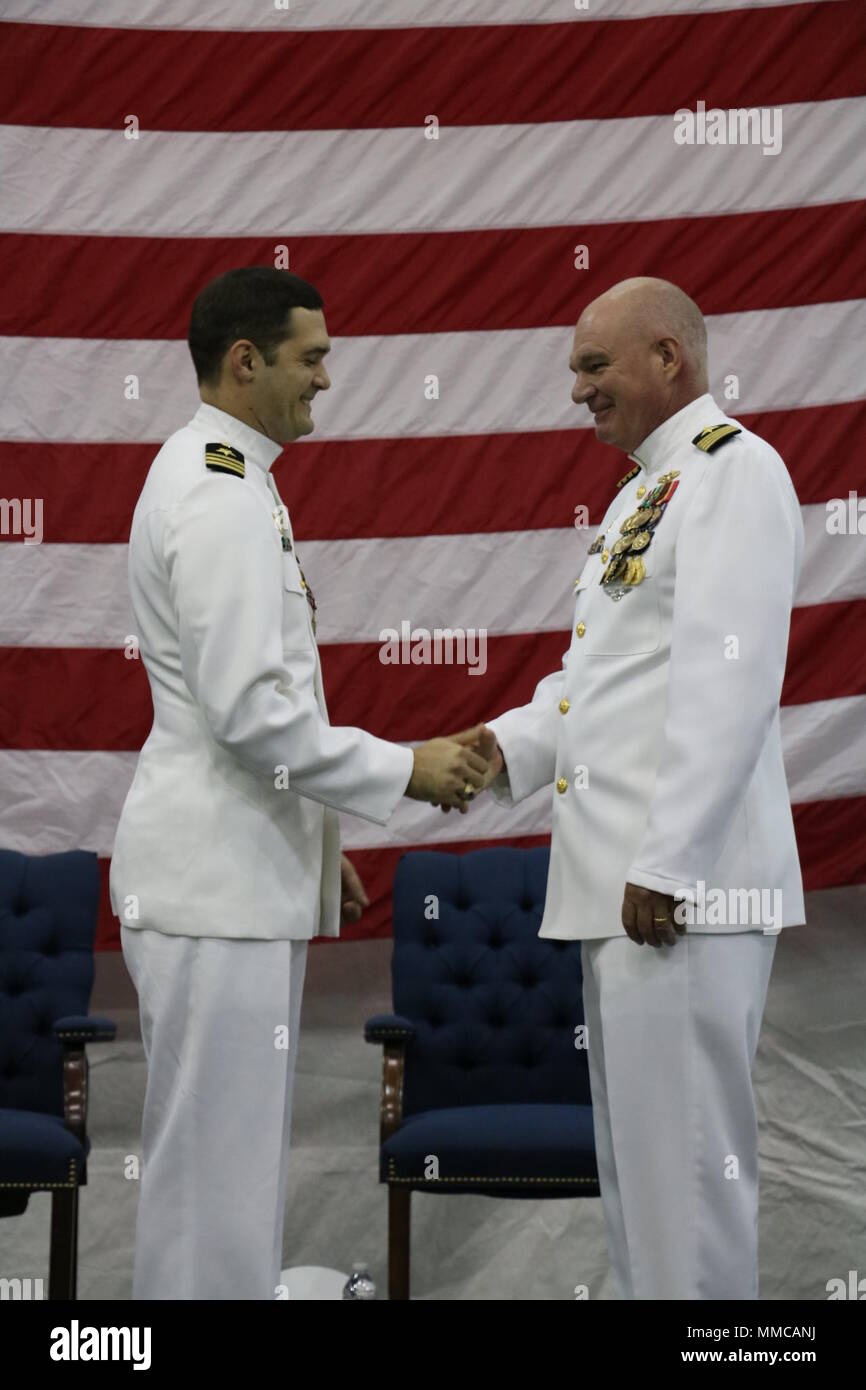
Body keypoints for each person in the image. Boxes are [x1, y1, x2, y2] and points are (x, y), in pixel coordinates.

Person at [110, 267, 494, 1300]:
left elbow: (254, 707)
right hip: (211, 885)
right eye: (311, 356)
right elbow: (248, 716)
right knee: (212, 1193)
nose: (326, 377)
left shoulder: (228, 474)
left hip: (230, 876)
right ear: (246, 360)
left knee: (221, 1180)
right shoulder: (218, 488)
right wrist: (404, 766)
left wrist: (317, 847)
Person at [449, 277, 805, 1299]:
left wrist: (666, 862)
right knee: (644, 1192)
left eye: (592, 366)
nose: (575, 391)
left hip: (678, 893)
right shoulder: (647, 491)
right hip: (629, 893)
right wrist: (495, 749)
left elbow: (725, 680)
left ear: (667, 357)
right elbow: (600, 687)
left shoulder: (733, 474)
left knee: (685, 1188)